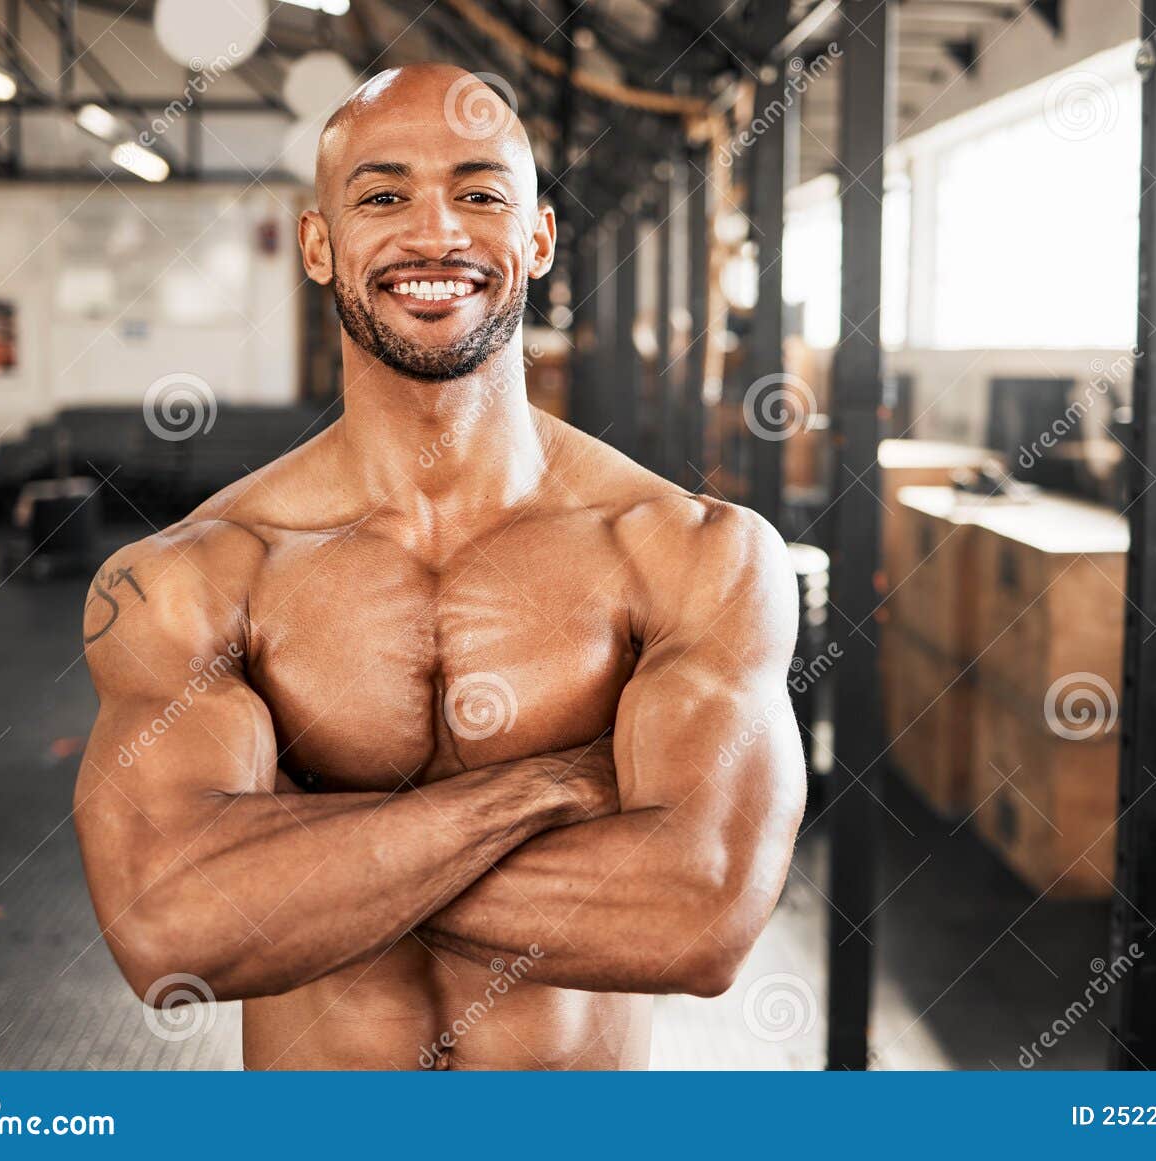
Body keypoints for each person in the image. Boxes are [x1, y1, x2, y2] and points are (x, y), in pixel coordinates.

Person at [73, 63, 805, 1070]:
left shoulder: (694, 553)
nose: (436, 234)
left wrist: (298, 871)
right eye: (383, 197)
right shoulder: (193, 578)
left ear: (539, 237)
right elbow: (171, 928)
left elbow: (696, 917)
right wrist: (546, 787)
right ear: (319, 245)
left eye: (480, 194)